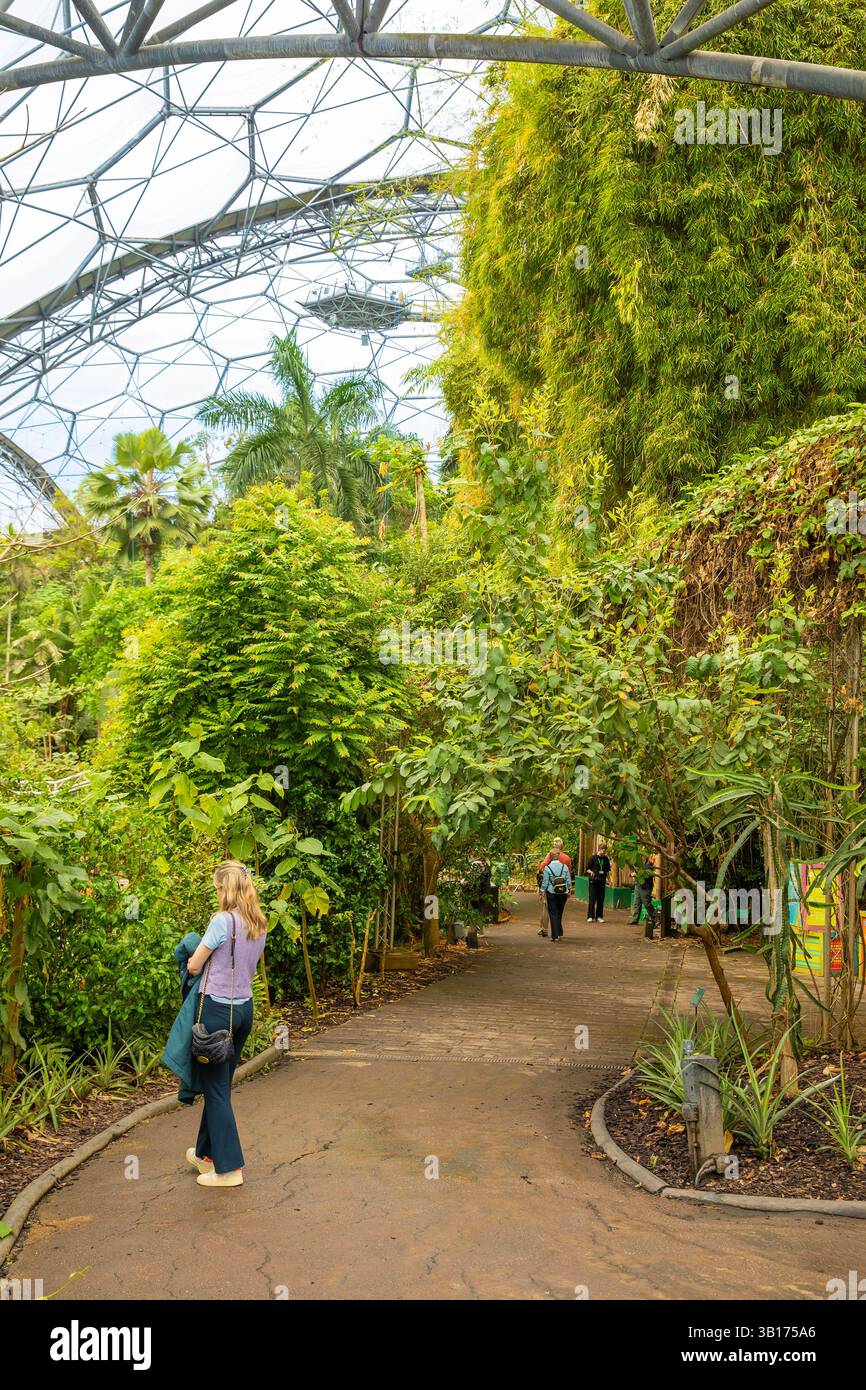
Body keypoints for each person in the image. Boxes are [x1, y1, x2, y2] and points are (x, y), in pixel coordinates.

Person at [185, 861, 268, 1188]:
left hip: (217, 1012)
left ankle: (230, 1170)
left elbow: (194, 966)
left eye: (218, 888)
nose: (216, 893)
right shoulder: (258, 922)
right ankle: (206, 1155)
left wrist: (192, 956)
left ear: (226, 888)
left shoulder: (222, 921)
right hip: (244, 1011)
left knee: (216, 1090)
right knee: (218, 1086)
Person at [537, 838, 572, 936]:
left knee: (548, 909)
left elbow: (542, 868)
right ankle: (559, 931)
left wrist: (542, 889)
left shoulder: (550, 855)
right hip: (562, 888)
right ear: (562, 846)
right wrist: (569, 889)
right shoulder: (567, 858)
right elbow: (568, 874)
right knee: (559, 911)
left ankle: (545, 929)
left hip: (551, 888)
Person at [628, 855, 658, 932]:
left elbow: (646, 876)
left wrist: (635, 875)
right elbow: (638, 871)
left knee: (647, 903)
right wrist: (634, 874)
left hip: (646, 886)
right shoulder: (639, 863)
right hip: (638, 885)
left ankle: (656, 918)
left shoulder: (648, 864)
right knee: (636, 902)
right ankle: (635, 919)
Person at [586, 841, 612, 923]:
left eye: (605, 850)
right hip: (593, 882)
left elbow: (607, 871)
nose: (603, 851)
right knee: (592, 899)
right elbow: (587, 869)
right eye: (602, 849)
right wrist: (591, 872)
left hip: (602, 882)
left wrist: (610, 881)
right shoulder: (593, 858)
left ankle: (599, 916)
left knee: (601, 900)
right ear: (599, 849)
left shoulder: (606, 859)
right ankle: (590, 916)